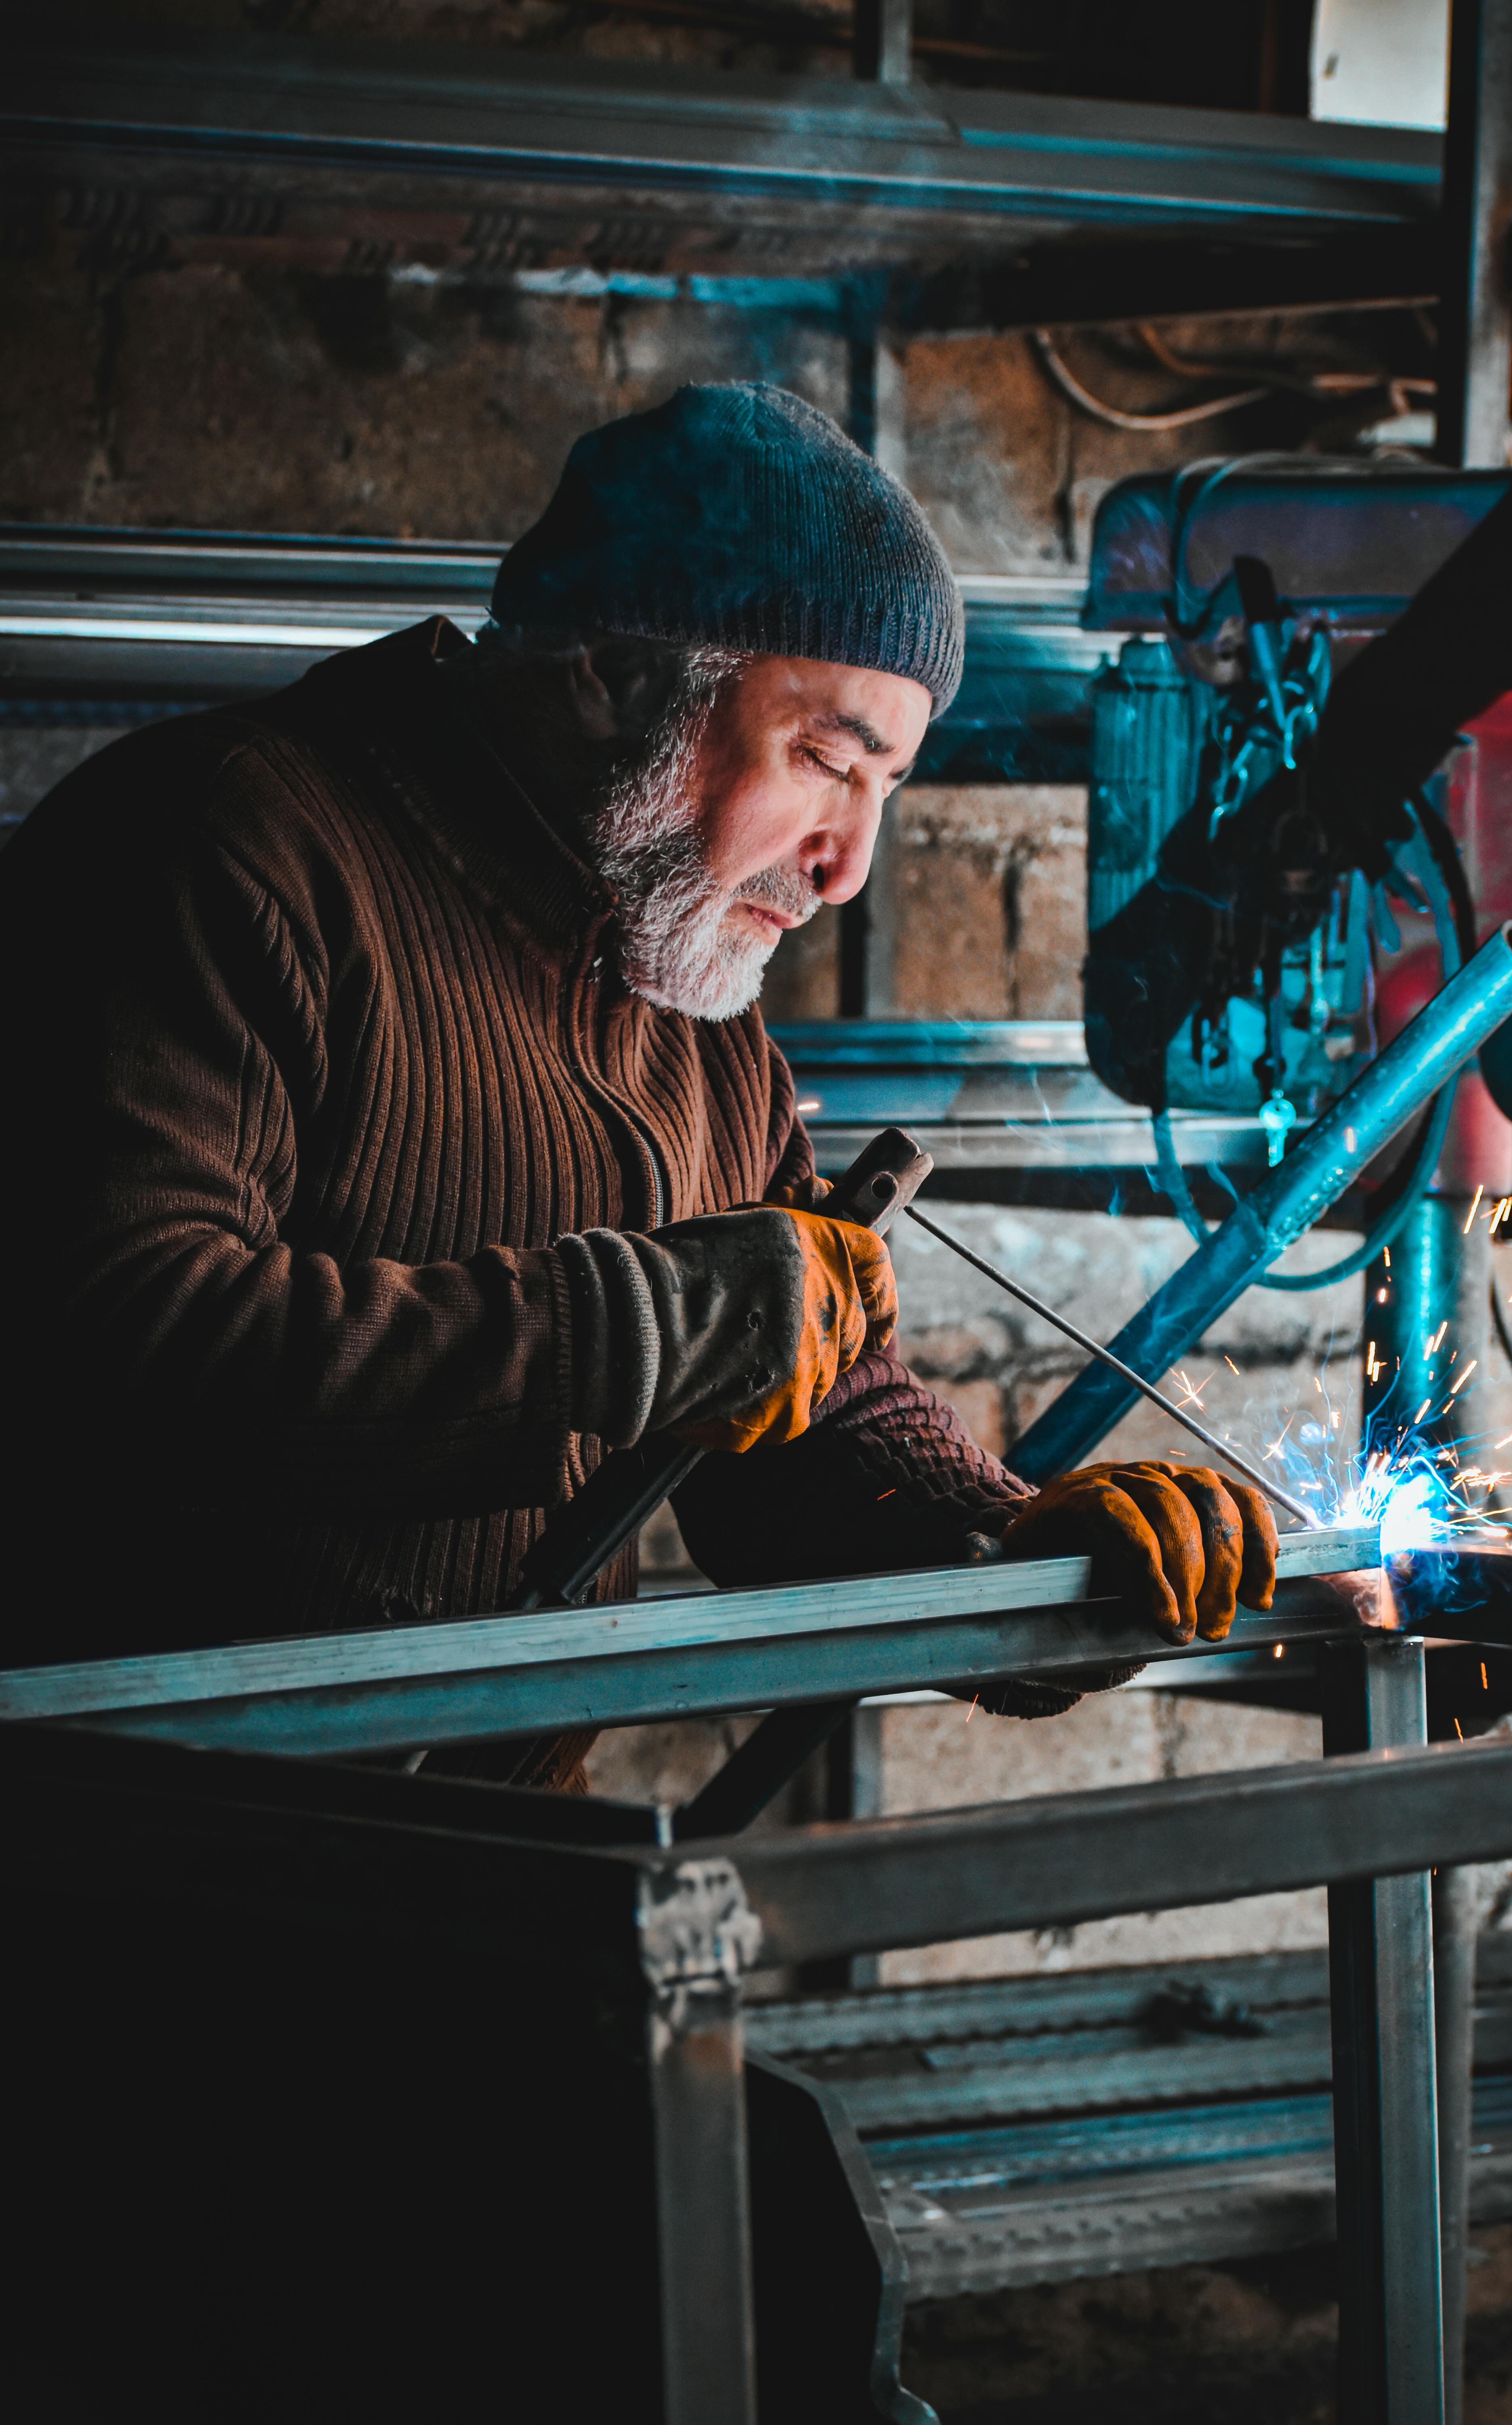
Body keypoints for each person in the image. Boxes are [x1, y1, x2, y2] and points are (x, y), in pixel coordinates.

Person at [0, 382, 1275, 1781]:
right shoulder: (225, 847)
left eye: (886, 791)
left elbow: (790, 1430)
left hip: (480, 1873)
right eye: (824, 762)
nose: (847, 865)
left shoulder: (687, 980)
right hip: (135, 1859)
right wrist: (634, 1329)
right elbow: (110, 1341)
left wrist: (1013, 1552)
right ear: (611, 672)